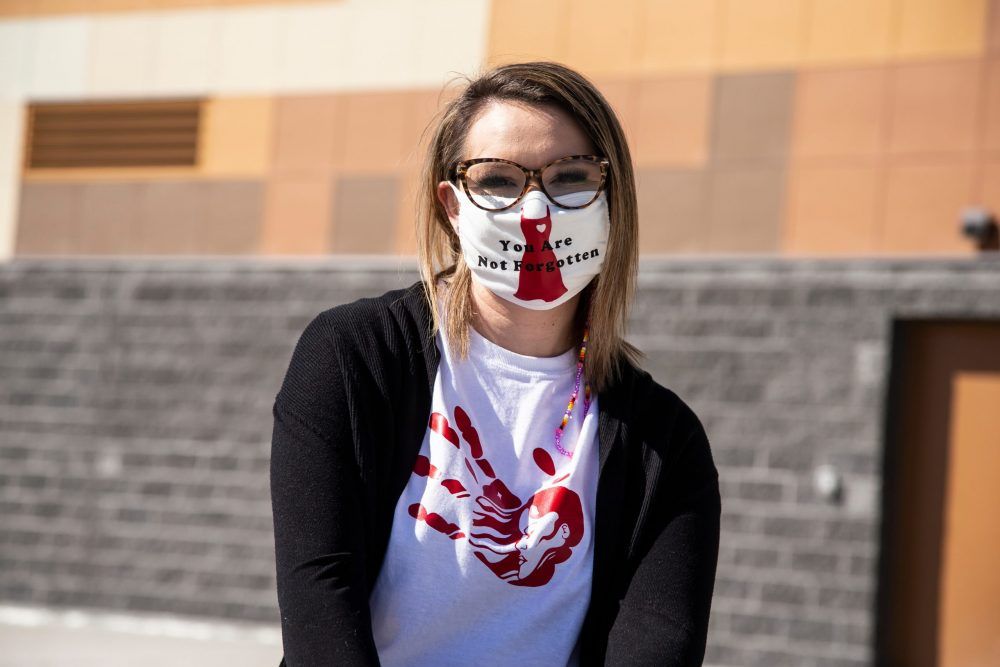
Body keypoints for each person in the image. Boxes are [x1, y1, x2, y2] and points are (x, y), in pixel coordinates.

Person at [270, 61, 722, 667]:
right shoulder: (353, 358)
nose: (535, 212)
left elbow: (658, 646)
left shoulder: (667, 443)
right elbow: (319, 619)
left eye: (570, 176)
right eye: (498, 181)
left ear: (612, 198)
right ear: (452, 206)